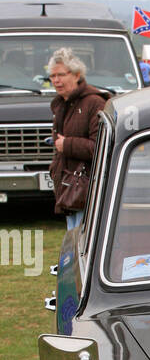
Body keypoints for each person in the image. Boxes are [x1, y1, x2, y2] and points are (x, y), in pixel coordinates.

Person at [48, 49, 106, 229]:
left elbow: (100, 146)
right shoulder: (60, 104)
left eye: (61, 75)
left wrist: (68, 144)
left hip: (88, 189)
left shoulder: (95, 102)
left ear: (77, 75)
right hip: (69, 188)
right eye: (52, 76)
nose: (56, 80)